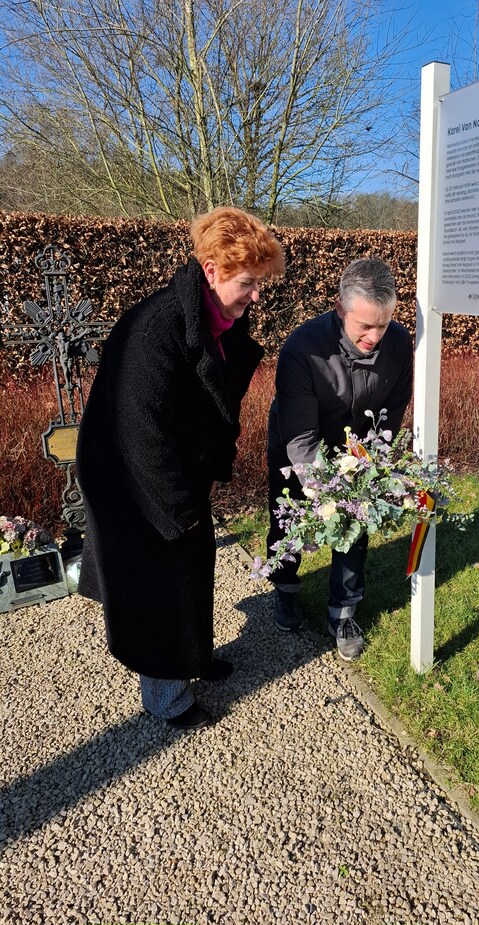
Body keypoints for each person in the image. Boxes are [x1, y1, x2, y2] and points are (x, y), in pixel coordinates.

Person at [76, 206, 284, 730]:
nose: (257, 295)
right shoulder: (156, 328)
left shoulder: (215, 319)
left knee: (195, 564)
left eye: (260, 282)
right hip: (132, 480)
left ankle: (194, 658)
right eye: (249, 282)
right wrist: (178, 506)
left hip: (173, 470)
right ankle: (166, 697)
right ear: (211, 270)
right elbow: (136, 432)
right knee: (159, 583)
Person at [266, 257, 413, 661]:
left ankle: (343, 610)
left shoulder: (399, 345)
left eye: (383, 324)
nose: (375, 336)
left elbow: (393, 410)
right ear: (339, 308)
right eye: (364, 325)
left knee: (355, 520)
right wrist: (322, 490)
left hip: (356, 449)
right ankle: (285, 588)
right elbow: (301, 435)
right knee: (289, 516)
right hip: (298, 443)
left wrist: (371, 467)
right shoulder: (302, 348)